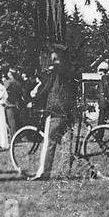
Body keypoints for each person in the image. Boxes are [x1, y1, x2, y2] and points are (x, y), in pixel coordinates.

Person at [29, 47, 77, 180]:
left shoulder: (55, 71)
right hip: (69, 110)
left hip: (56, 109)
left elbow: (46, 88)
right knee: (67, 143)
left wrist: (34, 97)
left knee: (49, 142)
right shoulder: (72, 70)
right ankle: (65, 173)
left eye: (53, 58)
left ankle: (43, 173)